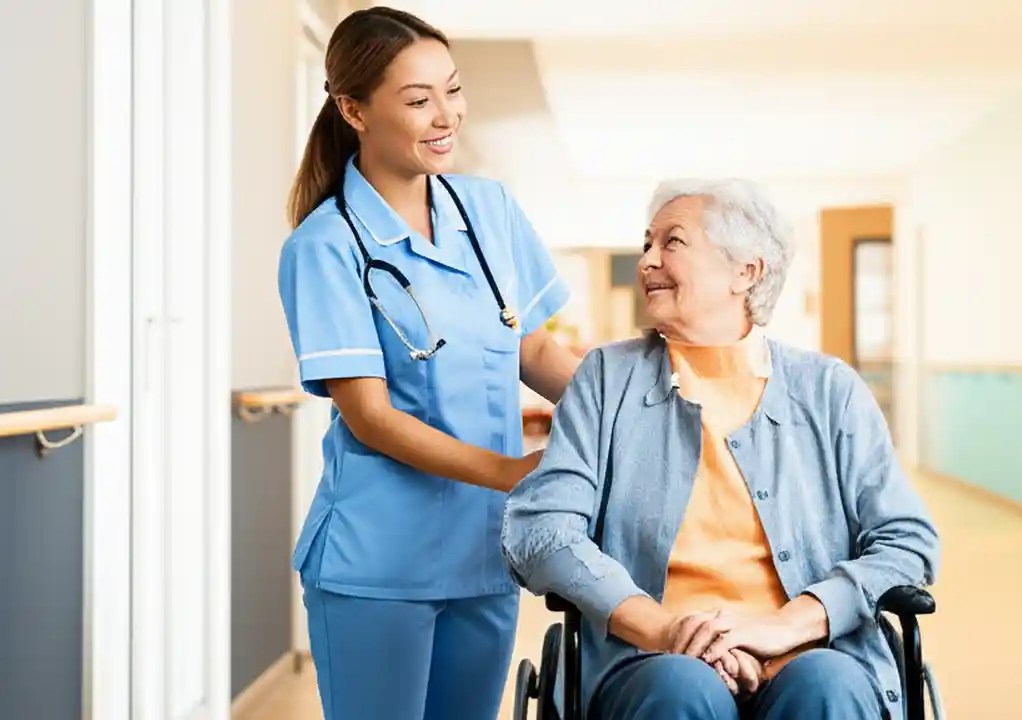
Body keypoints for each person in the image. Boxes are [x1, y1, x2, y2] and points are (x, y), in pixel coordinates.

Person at [502, 178, 941, 720]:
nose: (647, 262)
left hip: (810, 651)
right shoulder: (604, 380)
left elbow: (908, 542)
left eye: (673, 243)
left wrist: (785, 627)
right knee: (679, 688)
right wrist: (664, 629)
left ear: (746, 271)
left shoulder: (828, 389)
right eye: (647, 244)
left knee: (828, 683)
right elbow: (540, 530)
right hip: (650, 660)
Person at [277, 7, 580, 720]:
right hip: (377, 562)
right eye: (418, 100)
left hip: (485, 554)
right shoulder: (326, 246)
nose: (447, 115)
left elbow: (532, 348)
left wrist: (629, 407)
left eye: (452, 89)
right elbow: (371, 416)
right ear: (353, 109)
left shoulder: (489, 210)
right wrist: (509, 473)